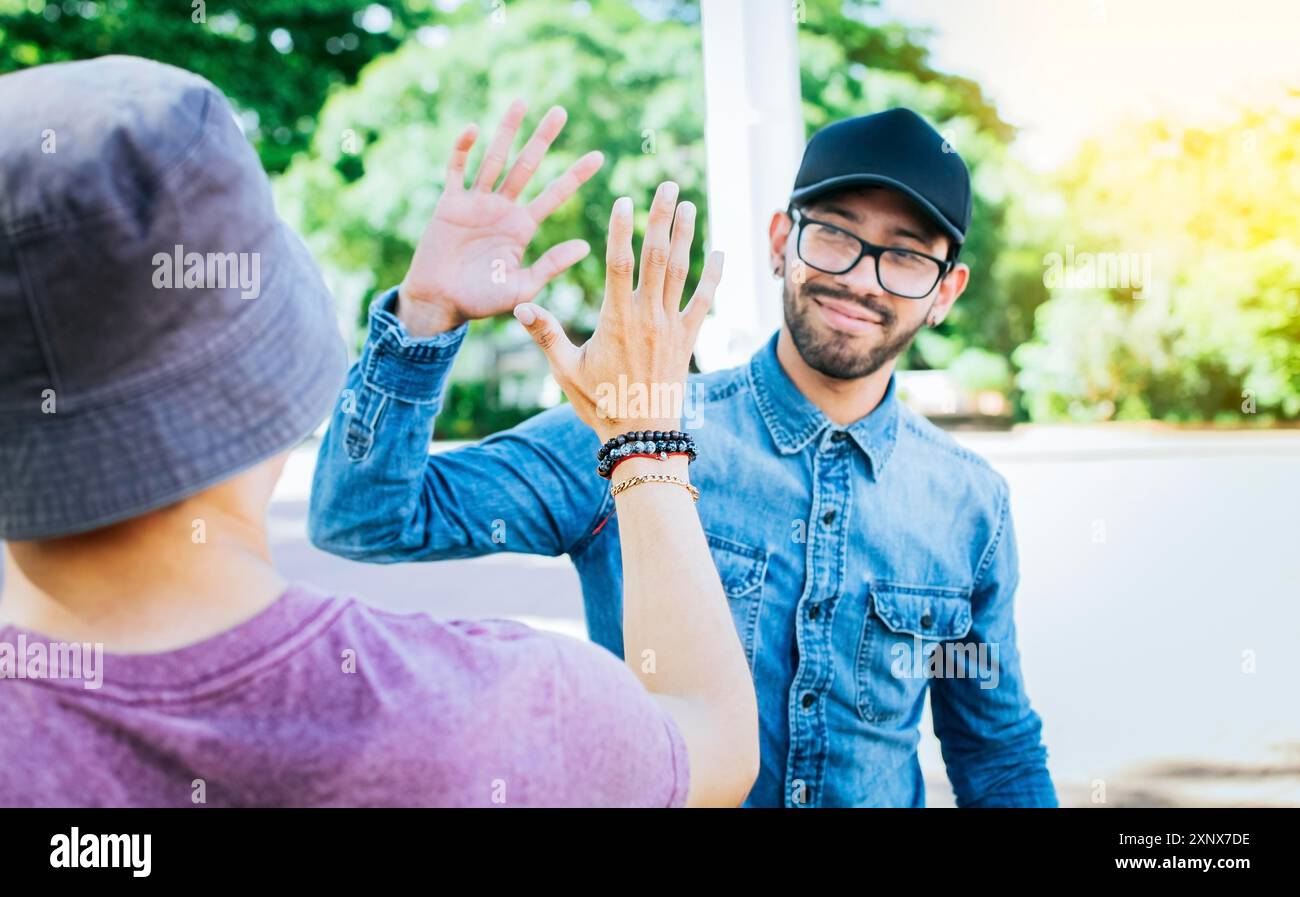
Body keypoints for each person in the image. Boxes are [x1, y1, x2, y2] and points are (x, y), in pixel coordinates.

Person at [0, 56, 758, 808]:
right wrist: (644, 434)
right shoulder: (491, 711)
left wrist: (423, 318)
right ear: (268, 371)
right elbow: (715, 741)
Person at [310, 107, 1057, 808]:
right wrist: (425, 313)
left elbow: (996, 749)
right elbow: (365, 517)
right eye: (835, 233)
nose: (861, 276)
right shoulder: (632, 422)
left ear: (946, 290)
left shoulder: (970, 503)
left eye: (905, 255)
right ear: (779, 241)